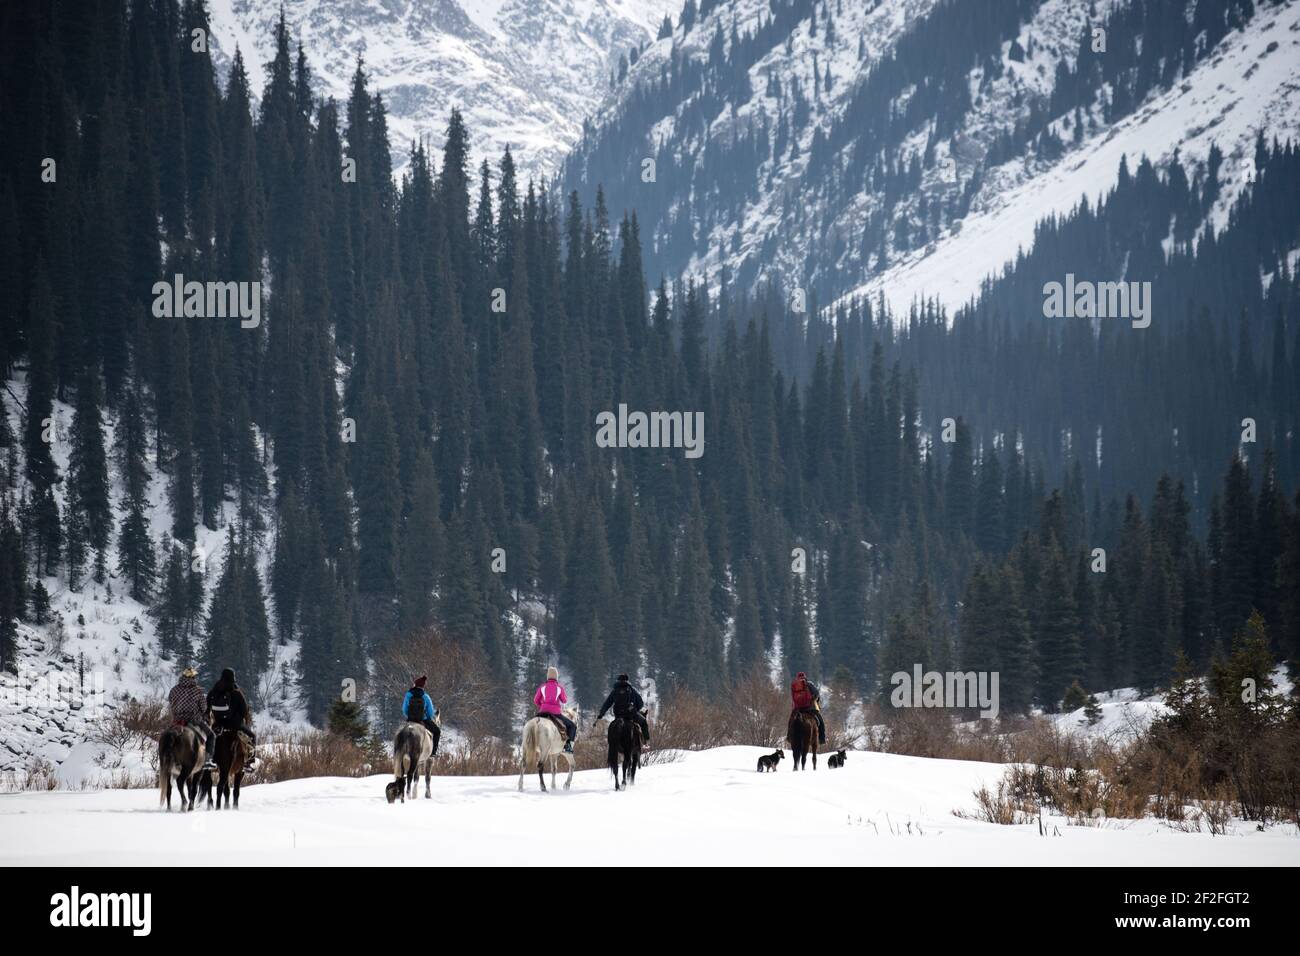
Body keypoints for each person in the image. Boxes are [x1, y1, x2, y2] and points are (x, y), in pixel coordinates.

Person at [208, 667, 258, 771]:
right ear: (233, 677)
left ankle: (208, 759)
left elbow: (207, 707)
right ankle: (248, 763)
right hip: (235, 725)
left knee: (209, 739)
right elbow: (244, 711)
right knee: (253, 737)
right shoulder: (237, 692)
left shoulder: (214, 691)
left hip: (218, 725)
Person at [168, 666, 216, 771]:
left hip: (176, 720)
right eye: (194, 677)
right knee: (211, 735)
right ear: (193, 678)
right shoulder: (197, 691)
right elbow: (204, 708)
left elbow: (170, 702)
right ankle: (207, 760)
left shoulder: (174, 690)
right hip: (193, 720)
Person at [594, 673, 651, 746]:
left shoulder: (614, 691)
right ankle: (646, 742)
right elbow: (640, 703)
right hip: (630, 715)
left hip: (618, 715)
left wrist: (601, 714)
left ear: (618, 680)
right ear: (627, 680)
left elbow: (607, 704)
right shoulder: (632, 690)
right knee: (643, 722)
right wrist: (635, 709)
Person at [533, 666, 576, 753]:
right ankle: (567, 747)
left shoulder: (542, 687)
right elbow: (564, 700)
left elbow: (536, 700)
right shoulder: (559, 688)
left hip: (542, 712)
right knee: (572, 726)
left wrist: (542, 706)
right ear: (556, 677)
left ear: (547, 677)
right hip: (555, 713)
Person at [402, 675, 441, 755]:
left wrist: (410, 716)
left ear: (415, 685)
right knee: (437, 731)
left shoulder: (408, 695)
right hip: (423, 721)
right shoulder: (426, 696)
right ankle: (433, 753)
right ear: (423, 686)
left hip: (410, 720)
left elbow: (404, 709)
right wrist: (425, 718)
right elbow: (430, 713)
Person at [790, 671, 826, 745]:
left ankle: (789, 737)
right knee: (820, 722)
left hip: (798, 709)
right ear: (805, 677)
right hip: (809, 708)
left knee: (791, 722)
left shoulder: (795, 685)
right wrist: (813, 700)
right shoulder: (809, 684)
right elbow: (816, 693)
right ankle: (822, 739)